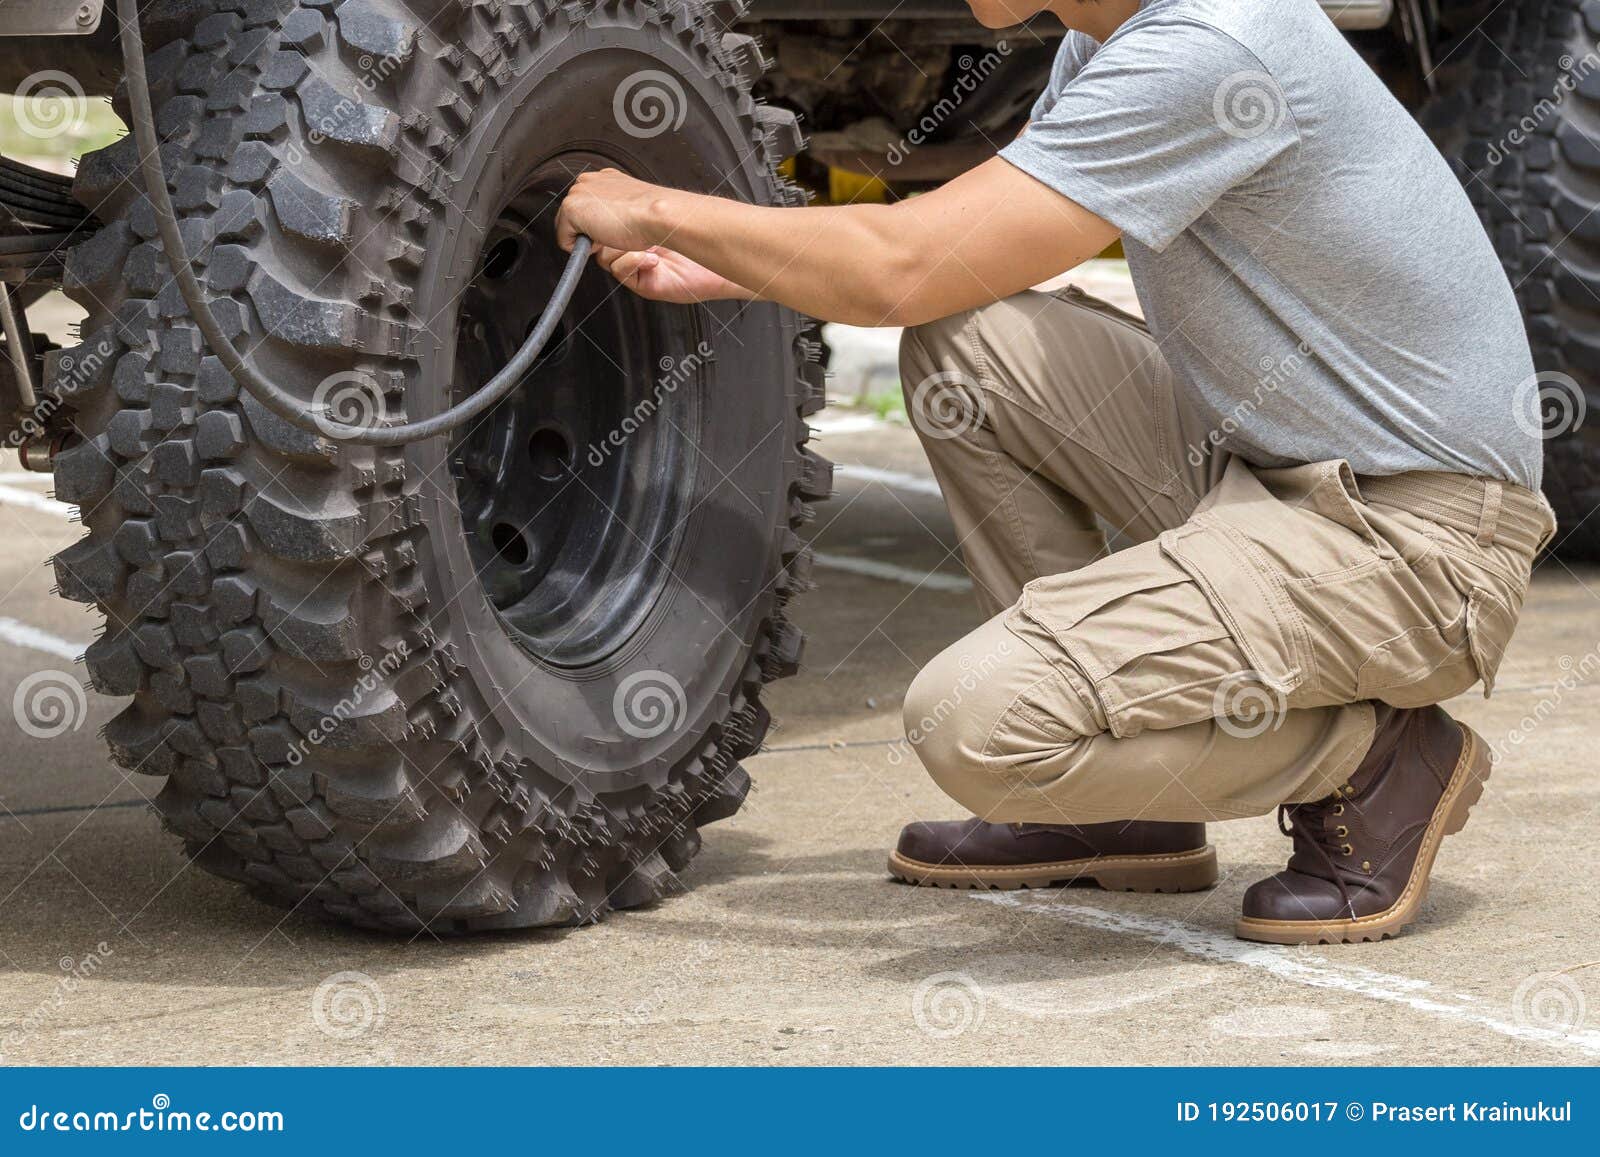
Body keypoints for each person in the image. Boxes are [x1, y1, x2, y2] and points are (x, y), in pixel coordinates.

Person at [555, 0, 1553, 944]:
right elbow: (958, 265)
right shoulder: (1106, 39)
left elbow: (901, 263)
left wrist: (648, 207)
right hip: (1275, 467)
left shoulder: (1210, 49)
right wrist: (737, 264)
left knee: (975, 726)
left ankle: (1376, 763)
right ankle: (1115, 814)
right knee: (965, 345)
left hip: (1414, 541)